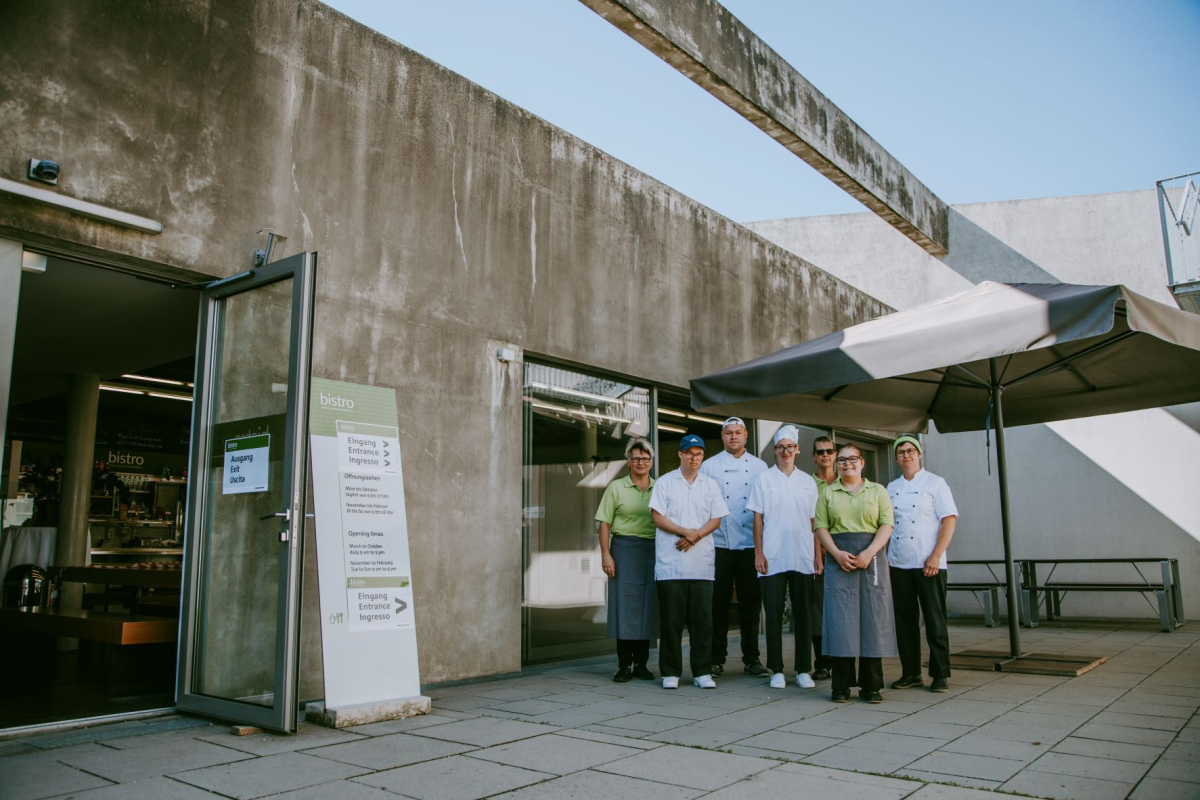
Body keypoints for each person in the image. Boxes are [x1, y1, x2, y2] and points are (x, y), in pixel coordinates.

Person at [814, 442, 896, 703]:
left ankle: (871, 685)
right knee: (841, 622)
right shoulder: (828, 493)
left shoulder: (878, 491)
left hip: (871, 558)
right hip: (841, 559)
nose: (847, 463)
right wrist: (836, 553)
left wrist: (870, 551)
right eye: (842, 460)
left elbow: (887, 524)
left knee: (872, 619)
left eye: (852, 459)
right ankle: (841, 685)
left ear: (862, 462)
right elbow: (820, 527)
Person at [649, 434, 729, 690]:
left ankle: (702, 672)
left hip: (702, 566)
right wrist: (685, 531)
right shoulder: (665, 482)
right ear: (680, 454)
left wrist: (694, 536)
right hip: (671, 564)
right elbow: (657, 517)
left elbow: (716, 519)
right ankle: (670, 672)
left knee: (702, 621)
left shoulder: (710, 485)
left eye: (699, 453)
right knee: (671, 622)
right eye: (689, 453)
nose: (694, 458)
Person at [748, 426, 821, 689]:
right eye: (781, 447)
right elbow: (757, 517)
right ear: (775, 450)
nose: (786, 452)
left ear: (797, 450)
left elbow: (815, 521)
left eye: (790, 447)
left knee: (804, 614)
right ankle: (776, 668)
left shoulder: (807, 482)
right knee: (774, 614)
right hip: (772, 554)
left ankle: (803, 669)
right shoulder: (764, 479)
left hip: (802, 554)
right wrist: (758, 552)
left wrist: (817, 554)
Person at [887, 435, 958, 693]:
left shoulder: (936, 483)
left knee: (934, 620)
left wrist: (936, 555)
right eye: (901, 452)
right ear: (896, 458)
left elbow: (949, 520)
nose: (906, 455)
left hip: (930, 563)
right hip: (899, 563)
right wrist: (887, 559)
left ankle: (940, 674)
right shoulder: (890, 488)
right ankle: (911, 673)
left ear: (919, 454)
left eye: (910, 451)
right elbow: (886, 526)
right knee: (904, 621)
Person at [700, 417, 769, 677]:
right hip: (718, 544)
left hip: (751, 544)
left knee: (750, 604)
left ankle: (752, 659)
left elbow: (764, 508)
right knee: (717, 603)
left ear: (746, 435)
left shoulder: (761, 467)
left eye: (737, 433)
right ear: (722, 436)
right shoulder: (709, 466)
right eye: (728, 433)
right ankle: (716, 659)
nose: (733, 437)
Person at [596, 438, 659, 683]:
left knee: (648, 606)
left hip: (652, 551)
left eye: (645, 458)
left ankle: (641, 664)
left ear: (651, 462)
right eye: (635, 458)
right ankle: (624, 665)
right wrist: (605, 554)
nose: (640, 462)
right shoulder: (616, 488)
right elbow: (604, 523)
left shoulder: (660, 487)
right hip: (623, 549)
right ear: (628, 461)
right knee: (624, 607)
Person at [809, 435, 838, 681]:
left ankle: (842, 659)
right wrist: (819, 553)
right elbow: (811, 523)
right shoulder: (807, 484)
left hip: (845, 557)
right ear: (814, 456)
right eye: (820, 452)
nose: (825, 455)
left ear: (835, 454)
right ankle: (822, 662)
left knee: (841, 610)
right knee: (818, 611)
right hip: (817, 556)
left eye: (829, 451)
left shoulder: (847, 480)